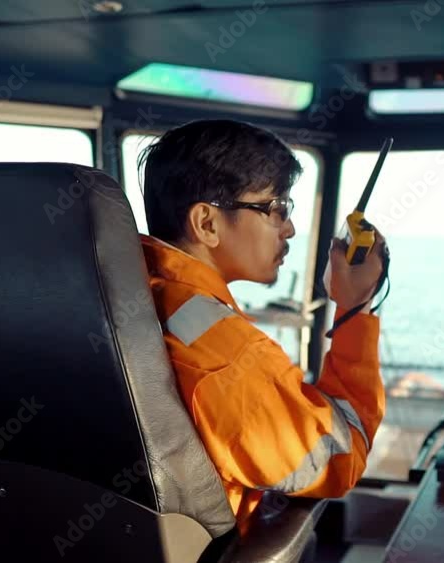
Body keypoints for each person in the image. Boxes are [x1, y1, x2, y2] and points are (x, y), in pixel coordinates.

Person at [137, 119, 386, 526]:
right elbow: (339, 458)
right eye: (275, 208)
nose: (288, 228)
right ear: (206, 223)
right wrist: (355, 307)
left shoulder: (131, 289)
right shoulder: (230, 354)